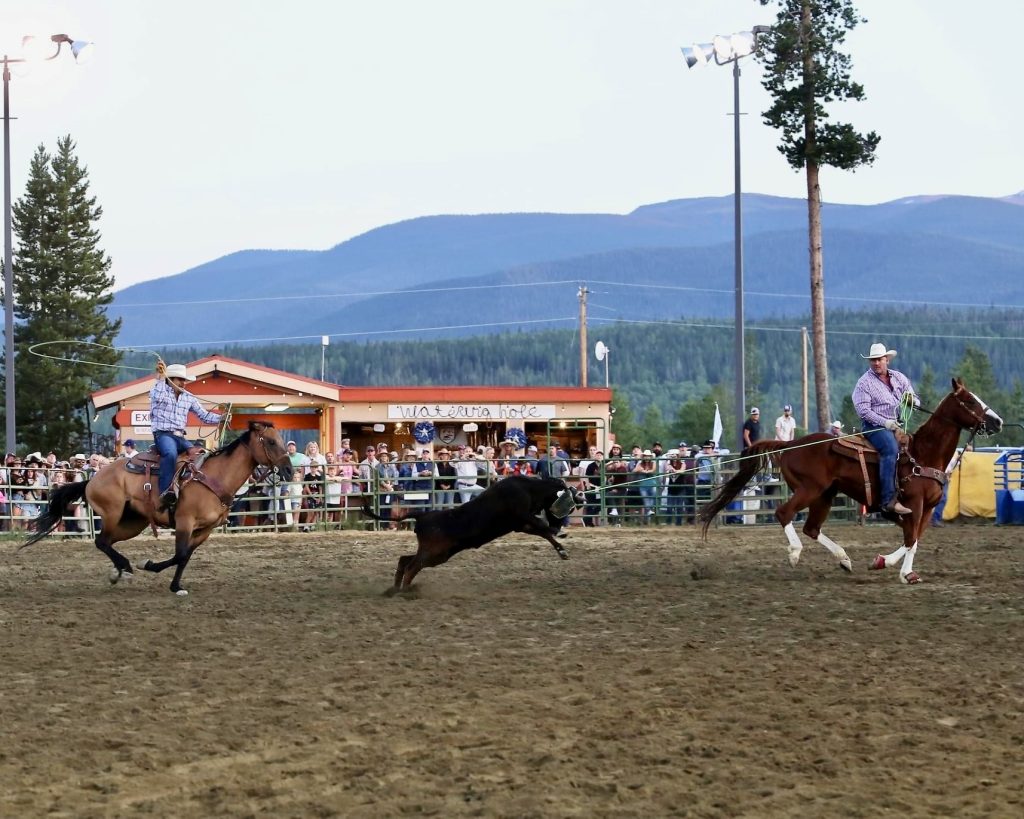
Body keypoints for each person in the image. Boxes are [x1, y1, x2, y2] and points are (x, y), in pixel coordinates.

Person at [852, 342, 918, 515]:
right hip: (873, 426)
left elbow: (913, 397)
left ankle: (909, 490)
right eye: (873, 360)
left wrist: (913, 402)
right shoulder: (864, 383)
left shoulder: (899, 378)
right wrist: (886, 423)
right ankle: (888, 500)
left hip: (897, 424)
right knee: (890, 449)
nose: (876, 363)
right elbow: (864, 411)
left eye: (879, 359)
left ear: (886, 359)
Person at [149, 359, 223, 510]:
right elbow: (156, 395)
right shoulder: (160, 390)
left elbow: (204, 415)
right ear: (171, 380)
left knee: (200, 455)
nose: (184, 383)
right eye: (180, 380)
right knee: (169, 454)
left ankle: (195, 494)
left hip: (180, 437)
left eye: (184, 380)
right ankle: (165, 492)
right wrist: (160, 376)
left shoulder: (188, 397)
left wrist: (222, 418)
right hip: (163, 434)